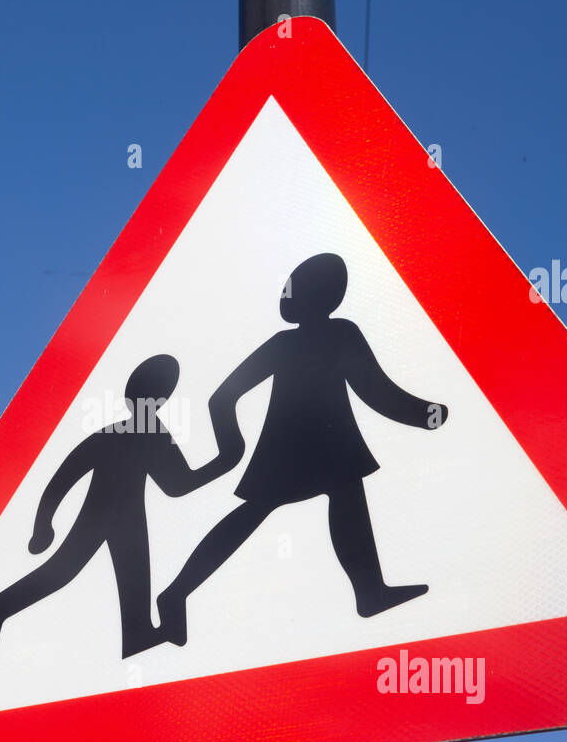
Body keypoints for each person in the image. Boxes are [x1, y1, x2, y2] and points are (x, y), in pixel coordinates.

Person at [156, 252, 449, 647]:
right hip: (312, 443)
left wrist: (232, 446)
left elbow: (222, 399)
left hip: (307, 443)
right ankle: (178, 591)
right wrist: (425, 415)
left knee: (332, 496)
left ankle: (369, 592)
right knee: (328, 496)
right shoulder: (339, 333)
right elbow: (376, 391)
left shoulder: (292, 342)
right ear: (330, 295)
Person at [0, 354, 231, 658]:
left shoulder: (153, 432)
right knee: (63, 572)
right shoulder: (132, 432)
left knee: (132, 576)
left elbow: (176, 485)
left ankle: (138, 632)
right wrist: (42, 525)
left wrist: (222, 464)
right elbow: (67, 475)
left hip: (129, 519)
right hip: (99, 515)